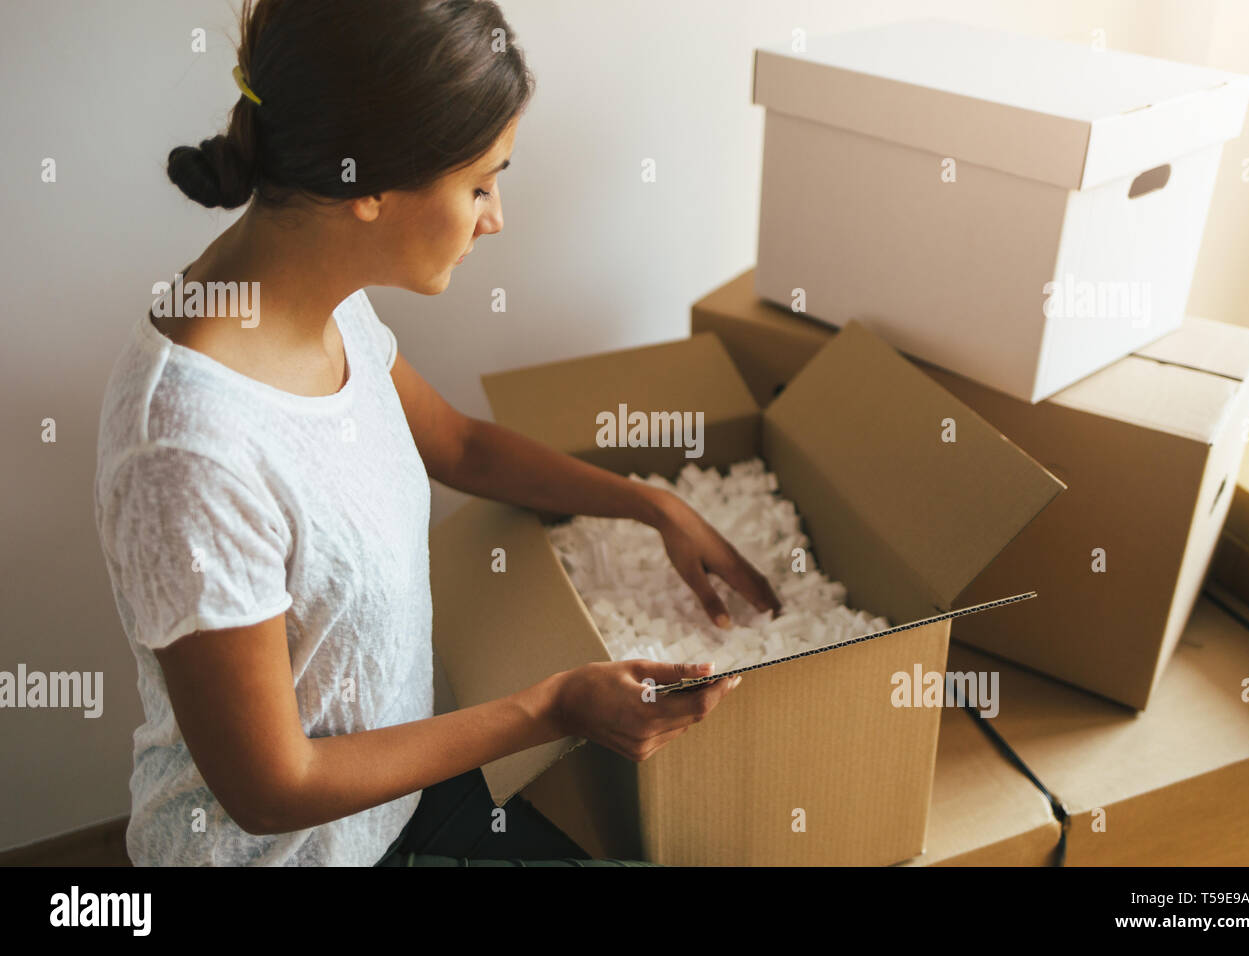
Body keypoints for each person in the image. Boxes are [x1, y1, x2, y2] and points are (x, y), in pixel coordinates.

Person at [93, 0, 781, 867]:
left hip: (395, 796)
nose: (497, 218)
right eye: (481, 185)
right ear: (371, 185)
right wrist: (553, 709)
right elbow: (273, 788)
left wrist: (648, 505)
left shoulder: (323, 291)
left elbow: (458, 445)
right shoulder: (188, 450)